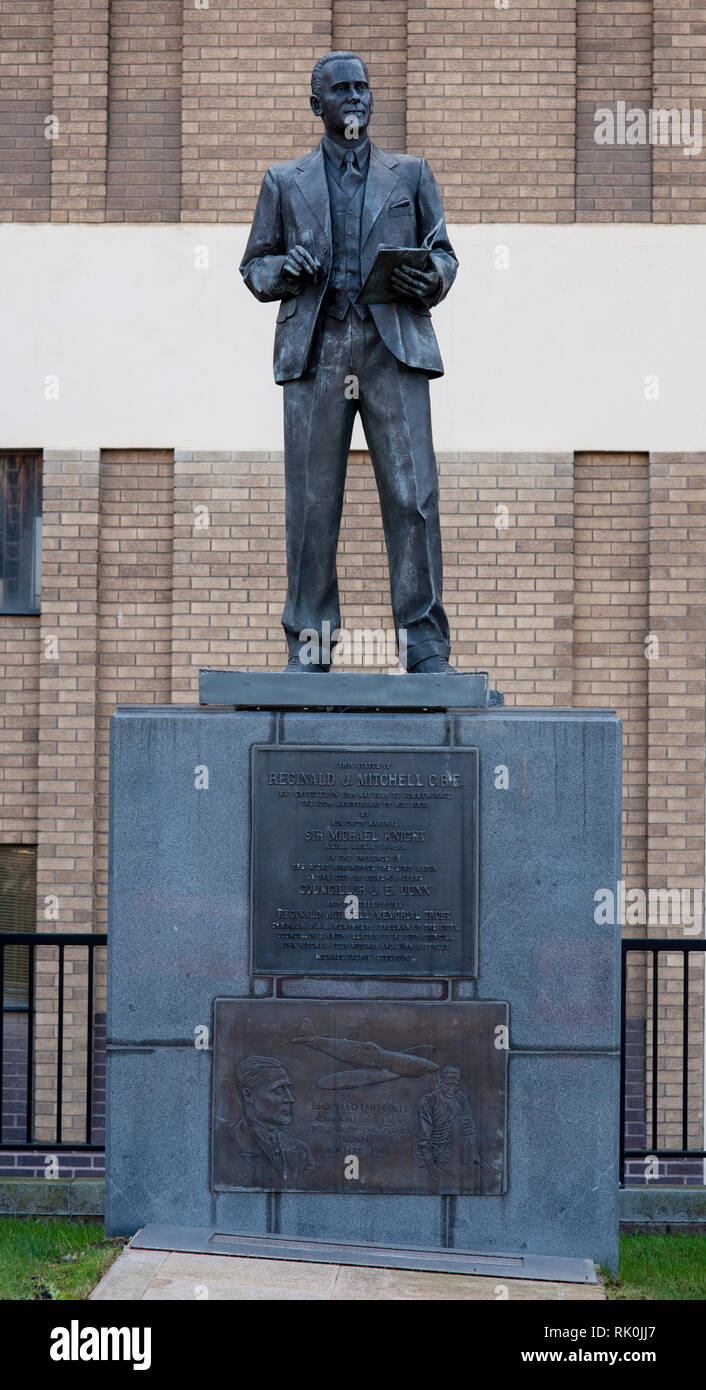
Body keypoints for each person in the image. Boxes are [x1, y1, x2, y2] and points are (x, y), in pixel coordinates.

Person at [240, 50, 458, 674]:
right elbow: (255, 266)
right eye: (342, 88)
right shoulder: (284, 182)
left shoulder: (411, 175)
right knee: (312, 504)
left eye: (363, 86)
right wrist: (285, 270)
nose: (356, 96)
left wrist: (428, 278)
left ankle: (424, 645)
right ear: (318, 104)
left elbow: (444, 257)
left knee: (413, 496)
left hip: (392, 348)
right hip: (319, 349)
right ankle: (309, 646)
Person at [220, 1054, 314, 1187]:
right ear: (248, 1096)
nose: (290, 1099)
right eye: (279, 1090)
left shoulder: (301, 1150)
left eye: (288, 1089)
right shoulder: (224, 1145)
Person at [415, 1065, 478, 1180]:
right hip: (424, 1156)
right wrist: (430, 1165)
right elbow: (424, 1136)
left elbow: (468, 1124)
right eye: (448, 1084)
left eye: (455, 1085)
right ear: (440, 1082)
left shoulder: (460, 1098)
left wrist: (474, 1153)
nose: (452, 1089)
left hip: (445, 1153)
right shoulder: (428, 1101)